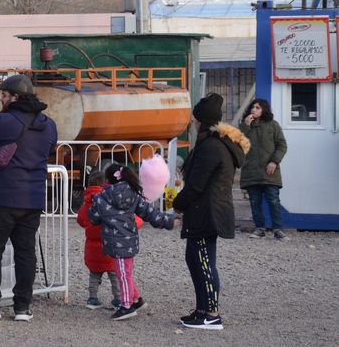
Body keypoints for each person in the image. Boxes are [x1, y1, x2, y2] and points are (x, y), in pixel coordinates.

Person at [0, 74, 58, 322]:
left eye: (4, 95)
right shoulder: (48, 124)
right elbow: (50, 146)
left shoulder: (5, 121)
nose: (2, 99)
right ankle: (23, 308)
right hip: (33, 199)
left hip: (2, 197)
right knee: (26, 253)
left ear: (16, 97)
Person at [173, 92, 250, 331]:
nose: (193, 123)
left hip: (207, 212)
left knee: (203, 262)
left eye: (195, 119)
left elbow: (196, 184)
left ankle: (212, 314)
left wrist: (177, 204)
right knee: (196, 259)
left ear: (201, 120)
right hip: (207, 211)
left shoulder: (211, 147)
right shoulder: (216, 143)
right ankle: (202, 310)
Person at [87, 164, 176, 321]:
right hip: (130, 241)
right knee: (126, 273)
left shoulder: (102, 197)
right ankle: (136, 299)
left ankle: (126, 306)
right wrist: (168, 222)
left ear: (107, 180)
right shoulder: (133, 194)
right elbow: (150, 214)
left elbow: (92, 218)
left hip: (115, 244)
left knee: (123, 275)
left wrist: (93, 201)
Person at [77, 170, 144, 310]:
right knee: (115, 275)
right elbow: (131, 220)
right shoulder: (109, 201)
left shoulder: (87, 203)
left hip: (92, 248)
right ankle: (118, 299)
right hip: (110, 245)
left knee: (94, 275)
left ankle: (92, 298)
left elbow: (81, 220)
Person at [239, 98, 288, 240]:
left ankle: (278, 229)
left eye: (258, 107)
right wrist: (246, 127)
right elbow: (238, 144)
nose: (253, 109)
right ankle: (259, 229)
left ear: (264, 110)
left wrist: (274, 161)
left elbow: (282, 145)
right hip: (251, 171)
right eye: (252, 107)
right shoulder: (244, 126)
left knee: (273, 200)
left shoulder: (273, 125)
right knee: (254, 201)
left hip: (270, 172)